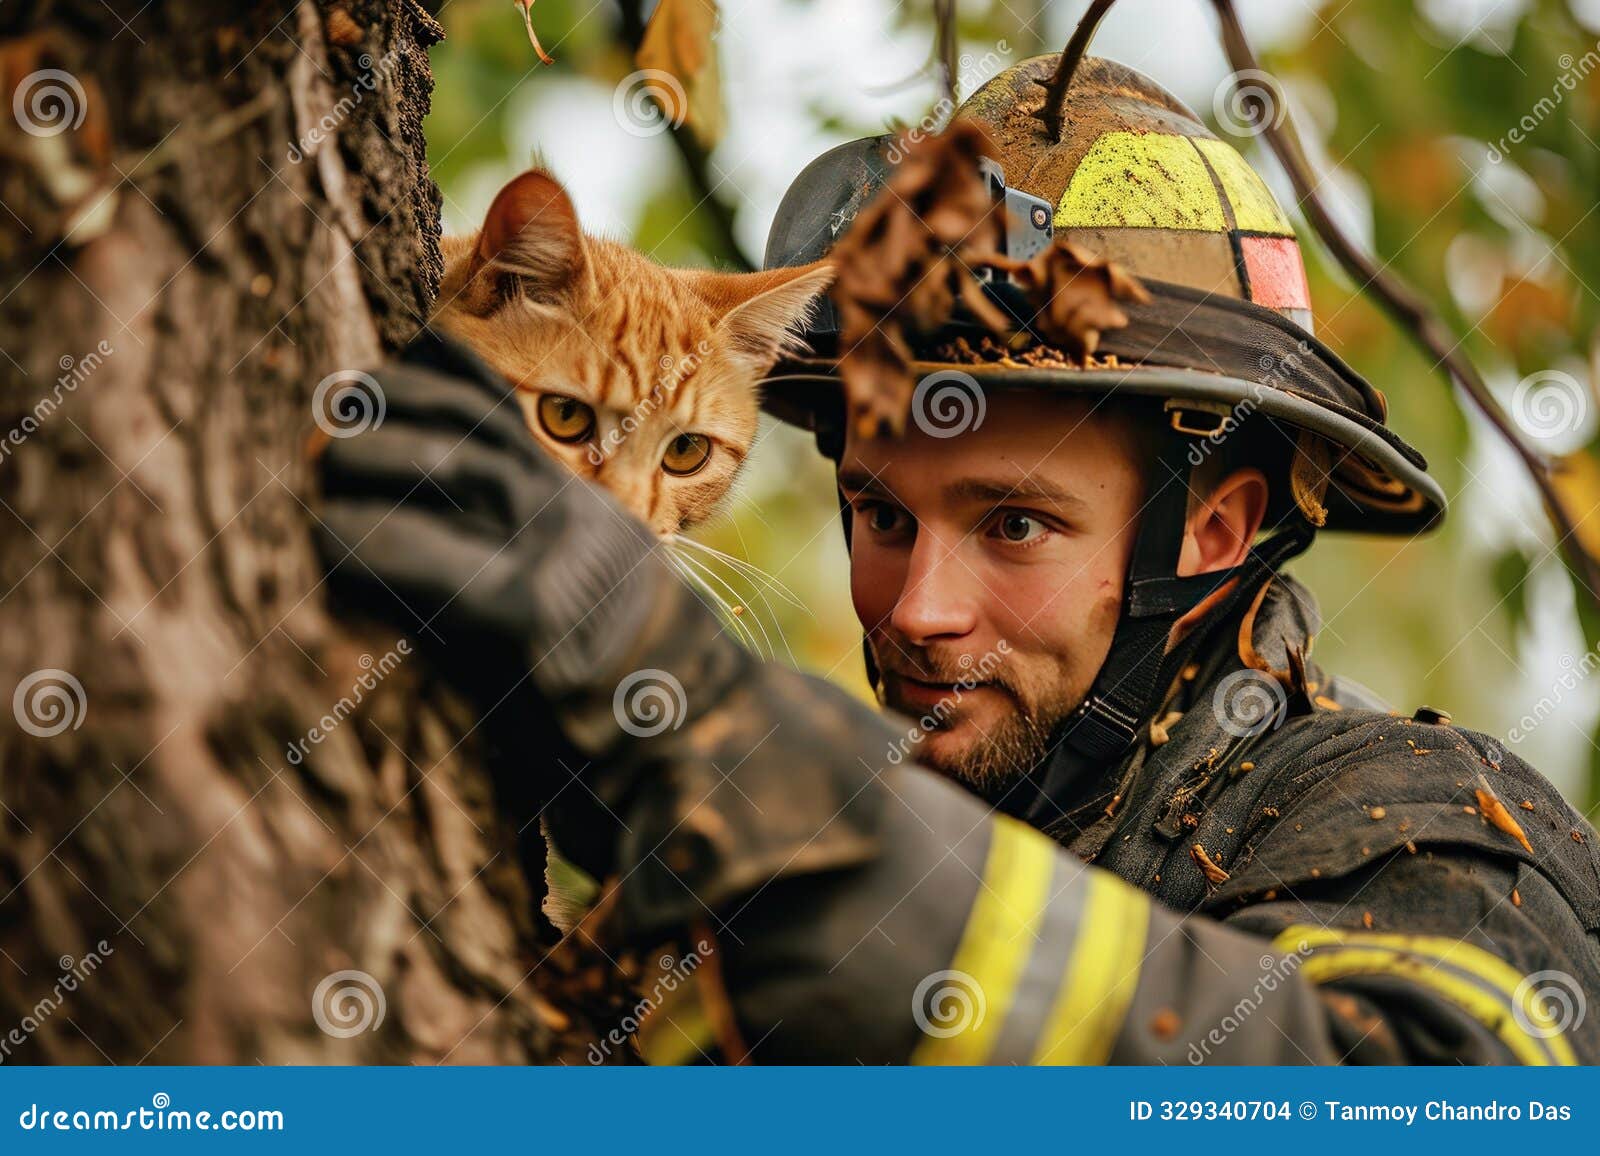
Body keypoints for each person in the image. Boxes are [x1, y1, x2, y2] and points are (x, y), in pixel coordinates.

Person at [315, 56, 1600, 1064]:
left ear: (1210, 529)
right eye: (879, 515)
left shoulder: (1436, 828)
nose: (915, 611)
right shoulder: (740, 891)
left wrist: (792, 819)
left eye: (1014, 525)